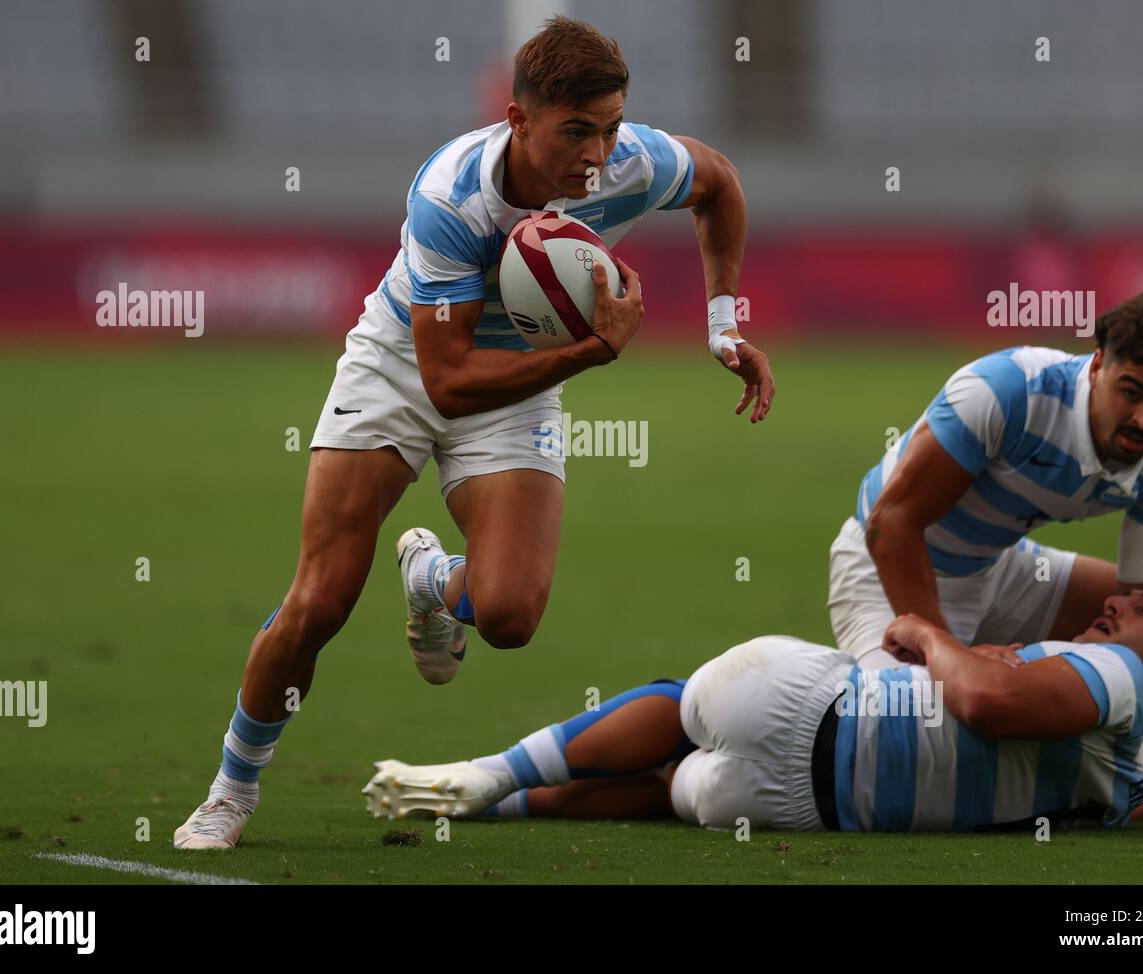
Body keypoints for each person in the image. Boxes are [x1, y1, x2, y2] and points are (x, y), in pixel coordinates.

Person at [174, 16, 774, 850]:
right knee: (320, 600)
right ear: (518, 120)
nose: (596, 154)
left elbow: (722, 184)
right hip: (404, 367)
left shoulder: (632, 160)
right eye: (575, 132)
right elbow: (447, 381)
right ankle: (231, 791)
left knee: (509, 614)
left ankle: (431, 581)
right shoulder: (452, 196)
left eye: (607, 128)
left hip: (520, 383)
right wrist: (595, 350)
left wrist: (721, 325)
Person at [366, 575, 1143, 833]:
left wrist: (930, 637)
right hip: (803, 810)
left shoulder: (1114, 679)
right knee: (669, 789)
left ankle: (489, 776)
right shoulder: (1125, 771)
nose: (1116, 606)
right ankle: (507, 808)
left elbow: (992, 707)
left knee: (675, 708)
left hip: (803, 707)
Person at [826, 289, 1143, 738]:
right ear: (1099, 364)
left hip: (1000, 568)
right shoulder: (1008, 392)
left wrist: (1137, 747)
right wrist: (950, 654)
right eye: (1132, 392)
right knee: (913, 730)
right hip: (886, 570)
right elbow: (891, 524)